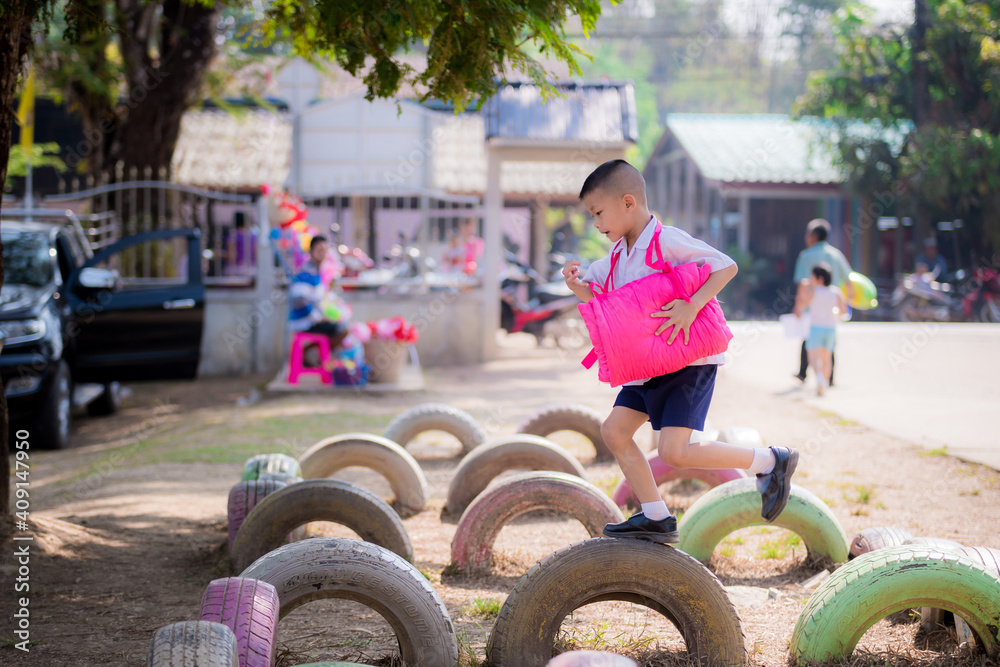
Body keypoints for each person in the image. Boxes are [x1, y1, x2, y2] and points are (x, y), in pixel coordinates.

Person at [562, 159, 798, 544]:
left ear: (628, 203)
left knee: (675, 451)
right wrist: (578, 288)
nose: (596, 223)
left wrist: (692, 305)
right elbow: (600, 300)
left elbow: (725, 267)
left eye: (598, 213)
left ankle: (771, 460)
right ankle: (656, 516)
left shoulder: (666, 241)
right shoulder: (616, 258)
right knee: (615, 431)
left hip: (687, 363)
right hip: (646, 366)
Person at [792, 218, 853, 385]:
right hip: (831, 305)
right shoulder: (836, 255)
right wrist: (848, 301)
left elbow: (802, 282)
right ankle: (830, 378)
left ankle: (803, 373)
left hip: (811, 304)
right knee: (829, 346)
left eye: (808, 233)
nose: (806, 237)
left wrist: (798, 306)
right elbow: (848, 280)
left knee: (808, 339)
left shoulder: (806, 255)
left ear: (814, 236)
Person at [289, 235, 348, 361]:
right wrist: (318, 318)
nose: (322, 254)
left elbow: (319, 299)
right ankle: (311, 357)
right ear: (311, 251)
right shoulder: (306, 273)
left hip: (312, 320)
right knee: (342, 329)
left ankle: (309, 356)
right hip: (304, 321)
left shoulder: (317, 272)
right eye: (319, 250)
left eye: (325, 250)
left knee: (341, 325)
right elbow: (300, 301)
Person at [795, 263, 846, 396]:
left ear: (820, 278)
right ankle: (824, 383)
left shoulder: (814, 291)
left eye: (813, 277)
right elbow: (843, 312)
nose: (810, 279)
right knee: (827, 358)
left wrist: (802, 290)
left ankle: (819, 379)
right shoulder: (836, 292)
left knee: (813, 358)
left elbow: (801, 305)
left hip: (816, 328)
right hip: (830, 329)